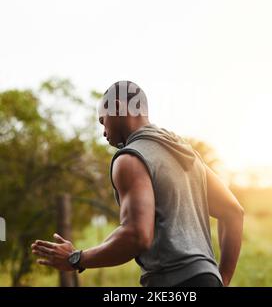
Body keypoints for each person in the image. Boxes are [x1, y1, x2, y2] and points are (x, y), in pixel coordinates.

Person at [31, 80, 244, 287]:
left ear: (116, 107)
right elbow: (233, 212)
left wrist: (76, 259)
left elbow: (137, 236)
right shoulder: (186, 154)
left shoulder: (130, 159)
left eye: (103, 121)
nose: (103, 132)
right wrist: (221, 278)